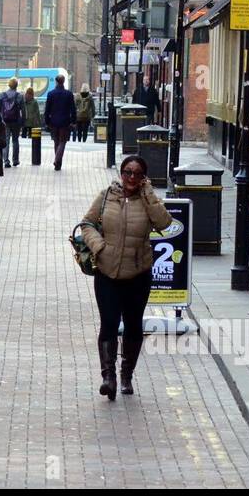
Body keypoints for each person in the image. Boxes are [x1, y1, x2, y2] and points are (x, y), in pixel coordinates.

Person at [79, 155, 172, 399]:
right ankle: (108, 377)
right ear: (121, 174)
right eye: (127, 172)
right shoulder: (107, 195)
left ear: (144, 178)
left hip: (138, 274)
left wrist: (149, 193)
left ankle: (126, 374)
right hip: (107, 272)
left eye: (138, 174)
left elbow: (164, 223)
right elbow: (86, 223)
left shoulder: (147, 198)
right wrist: (99, 247)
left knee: (133, 325)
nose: (131, 177)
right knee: (109, 323)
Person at [44, 74, 75, 171]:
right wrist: (73, 121)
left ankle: (58, 164)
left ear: (56, 82)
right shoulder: (69, 94)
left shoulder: (51, 94)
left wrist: (47, 121)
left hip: (53, 122)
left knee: (56, 142)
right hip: (65, 122)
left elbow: (47, 110)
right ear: (64, 81)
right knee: (62, 142)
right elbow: (73, 109)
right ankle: (58, 161)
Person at [0, 77, 25, 167]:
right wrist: (23, 121)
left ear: (9, 85)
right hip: (16, 121)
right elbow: (23, 110)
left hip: (4, 121)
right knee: (15, 140)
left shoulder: (2, 95)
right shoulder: (19, 96)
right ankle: (15, 160)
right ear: (16, 85)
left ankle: (6, 161)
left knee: (6, 140)